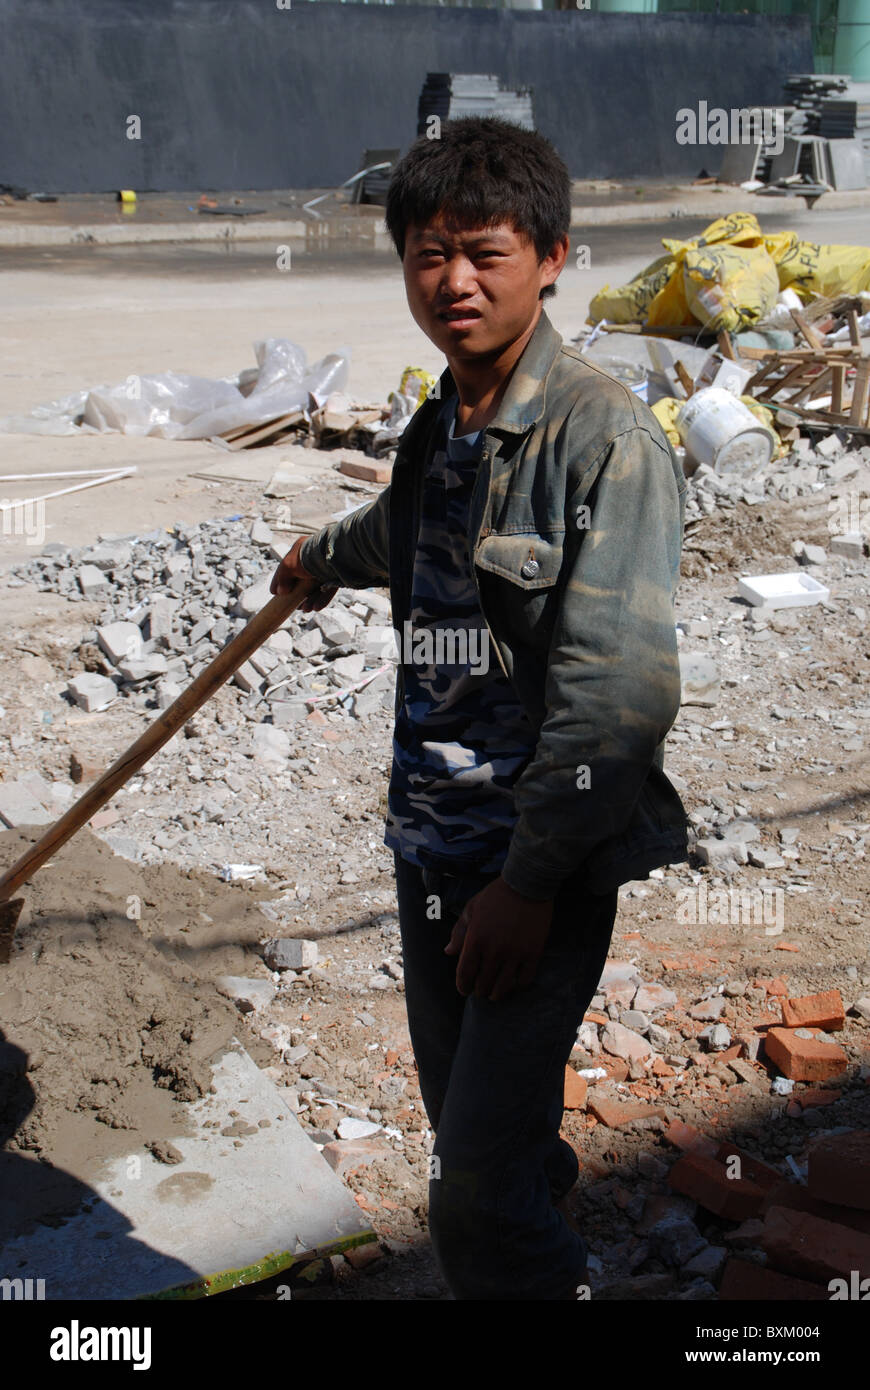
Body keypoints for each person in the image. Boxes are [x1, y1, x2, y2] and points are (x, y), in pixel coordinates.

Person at [271, 116, 689, 1300]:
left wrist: (529, 886)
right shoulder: (440, 422)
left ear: (552, 257)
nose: (454, 280)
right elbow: (407, 530)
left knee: (469, 1193)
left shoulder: (604, 438)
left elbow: (620, 696)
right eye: (428, 252)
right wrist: (316, 554)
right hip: (434, 848)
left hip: (531, 868)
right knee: (488, 1134)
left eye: (486, 252)